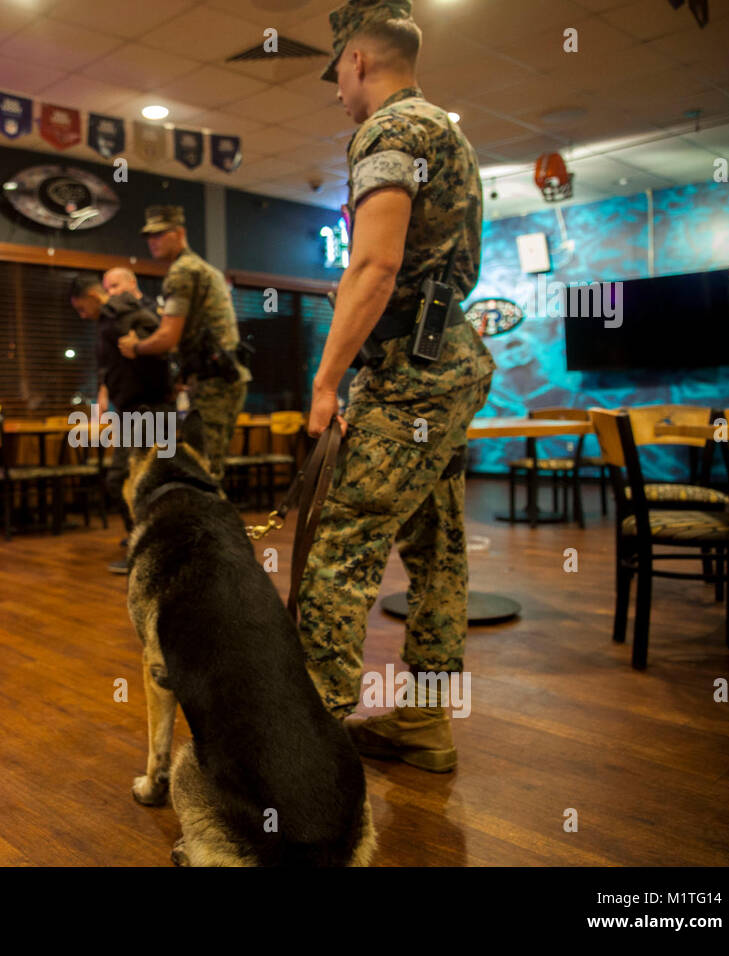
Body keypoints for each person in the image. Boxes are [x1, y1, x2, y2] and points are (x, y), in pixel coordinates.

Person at [298, 0, 496, 772]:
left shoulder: (387, 130)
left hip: (412, 377)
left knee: (338, 548)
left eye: (336, 78)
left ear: (357, 61)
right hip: (449, 362)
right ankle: (423, 723)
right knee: (438, 546)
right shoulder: (450, 131)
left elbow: (374, 267)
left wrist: (325, 384)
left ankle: (304, 753)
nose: (339, 94)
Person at [117, 206, 248, 482]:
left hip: (214, 379)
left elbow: (167, 338)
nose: (153, 241)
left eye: (160, 234)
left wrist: (135, 347)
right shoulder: (202, 268)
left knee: (205, 468)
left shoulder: (182, 272)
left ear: (180, 233)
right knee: (210, 464)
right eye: (149, 236)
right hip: (220, 376)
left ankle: (208, 524)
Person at [69, 274, 170, 573]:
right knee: (134, 482)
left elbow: (159, 339)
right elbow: (110, 364)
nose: (81, 315)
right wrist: (104, 391)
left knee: (143, 482)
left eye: (80, 308)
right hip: (132, 409)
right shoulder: (106, 321)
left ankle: (149, 552)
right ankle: (147, 547)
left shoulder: (119, 312)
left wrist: (139, 345)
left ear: (91, 296)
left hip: (149, 409)